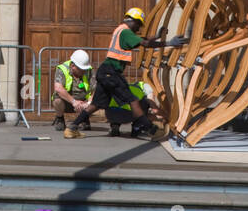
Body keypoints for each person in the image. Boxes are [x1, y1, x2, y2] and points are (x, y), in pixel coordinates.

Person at [64, 8, 184, 140]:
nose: (138, 28)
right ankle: (152, 130)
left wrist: (157, 36)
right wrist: (168, 43)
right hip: (112, 72)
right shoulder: (126, 32)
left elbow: (141, 39)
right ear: (133, 21)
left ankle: (71, 128)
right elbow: (144, 43)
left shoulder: (121, 30)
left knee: (96, 104)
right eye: (138, 25)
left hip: (105, 72)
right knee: (132, 100)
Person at [51, 49, 93, 131]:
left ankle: (84, 119)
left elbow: (96, 88)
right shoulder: (62, 69)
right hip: (67, 102)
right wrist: (74, 102)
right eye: (81, 69)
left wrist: (88, 103)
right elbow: (58, 88)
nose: (84, 71)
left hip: (83, 103)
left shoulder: (88, 70)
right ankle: (60, 119)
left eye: (84, 69)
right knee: (57, 100)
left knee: (96, 100)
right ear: (73, 66)